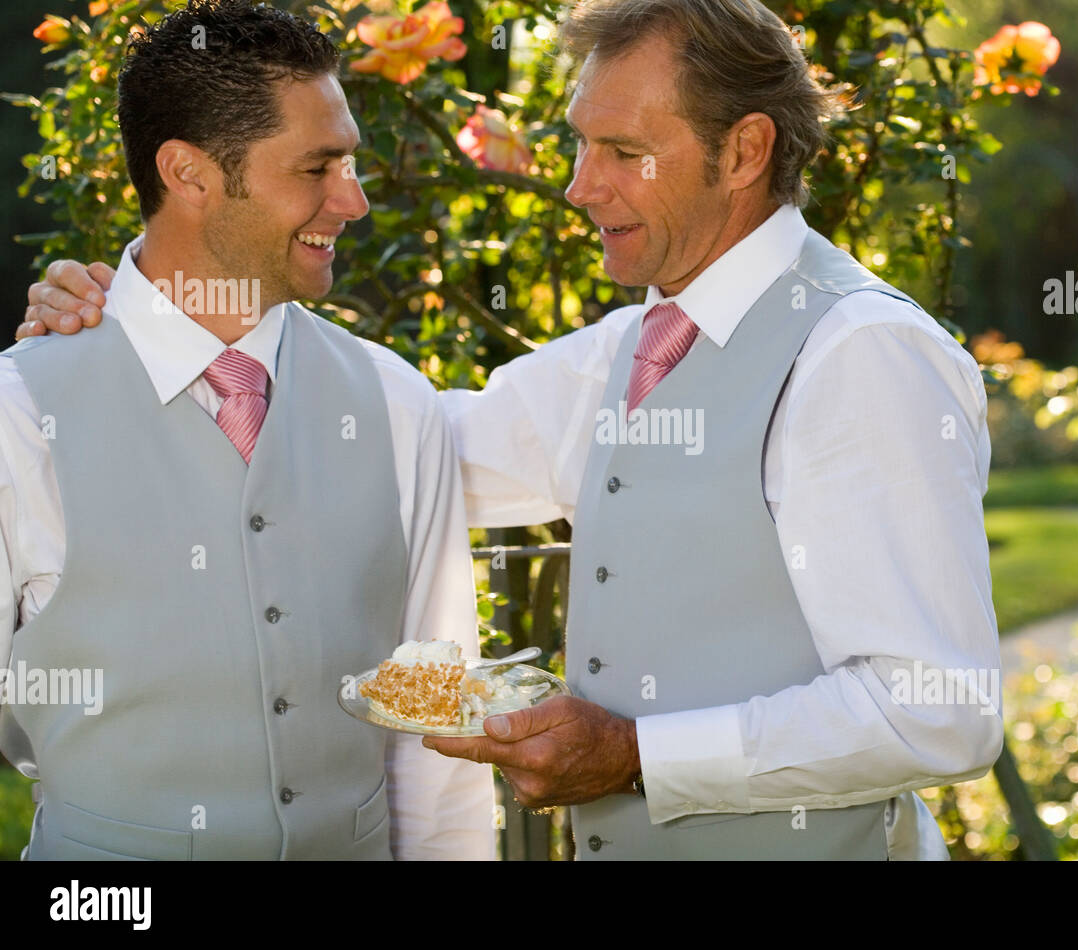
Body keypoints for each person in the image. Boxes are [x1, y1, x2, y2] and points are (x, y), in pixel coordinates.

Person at [23, 0, 1002, 860]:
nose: (580, 186)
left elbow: (937, 706)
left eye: (622, 152)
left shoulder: (859, 354)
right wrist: (142, 330)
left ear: (744, 150)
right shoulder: (621, 354)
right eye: (580, 144)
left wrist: (635, 754)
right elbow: (384, 444)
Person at [2, 0, 493, 860]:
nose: (356, 199)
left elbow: (431, 725)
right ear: (188, 174)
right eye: (318, 167)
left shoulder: (396, 402)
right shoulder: (18, 415)